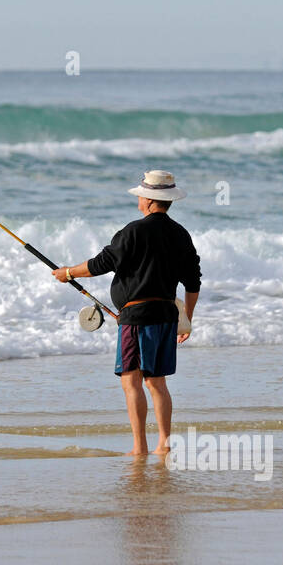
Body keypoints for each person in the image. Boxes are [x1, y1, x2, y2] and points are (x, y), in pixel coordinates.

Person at [52, 170, 201, 457]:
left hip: (137, 318)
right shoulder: (181, 234)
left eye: (141, 195)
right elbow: (193, 281)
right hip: (166, 316)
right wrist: (188, 320)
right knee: (156, 381)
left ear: (148, 199)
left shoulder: (133, 231)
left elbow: (101, 263)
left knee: (131, 380)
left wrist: (68, 272)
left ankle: (140, 447)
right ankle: (164, 443)